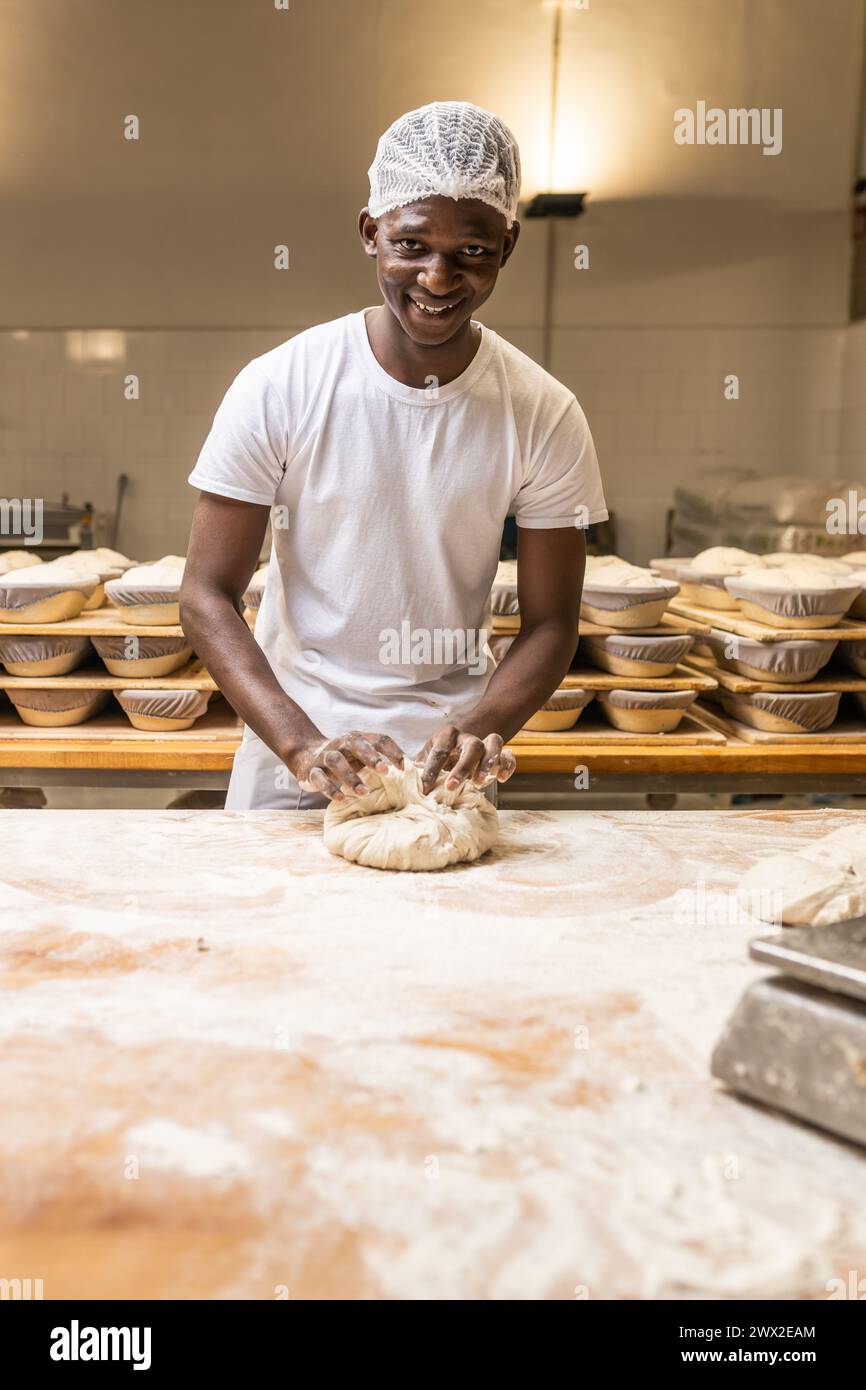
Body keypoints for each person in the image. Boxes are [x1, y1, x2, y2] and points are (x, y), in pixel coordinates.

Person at [181, 101, 607, 810]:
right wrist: (300, 744)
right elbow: (205, 596)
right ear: (370, 233)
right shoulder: (282, 386)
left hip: (450, 760)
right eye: (412, 245)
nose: (438, 279)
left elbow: (553, 622)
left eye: (471, 250)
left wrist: (484, 727)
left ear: (507, 245)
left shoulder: (543, 411)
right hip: (295, 746)